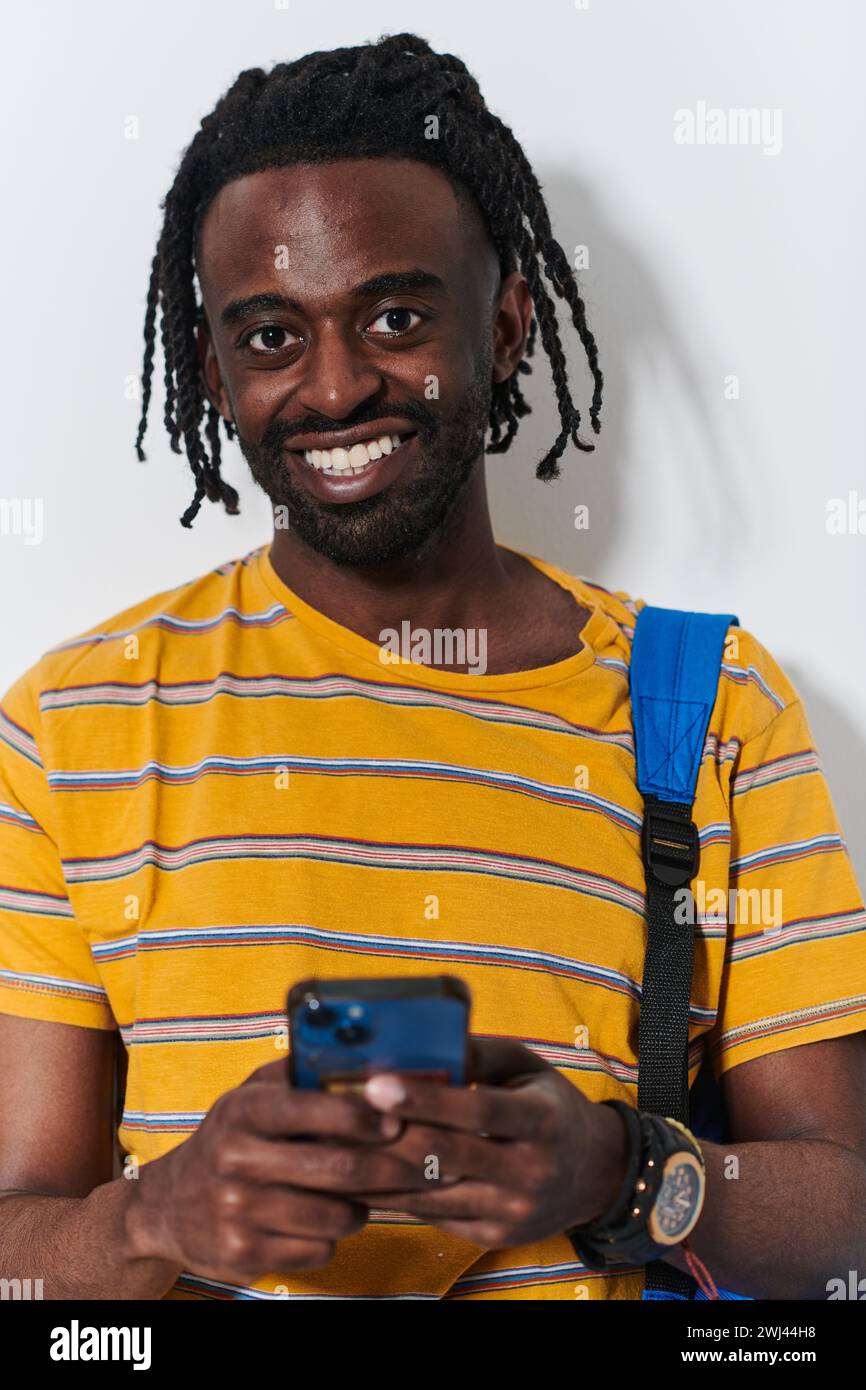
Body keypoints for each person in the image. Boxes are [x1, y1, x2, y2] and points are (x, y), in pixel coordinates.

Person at [0, 33, 863, 1302]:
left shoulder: (709, 702)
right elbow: (18, 1248)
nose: (338, 385)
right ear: (214, 373)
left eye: (395, 316)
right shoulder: (72, 723)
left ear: (507, 325)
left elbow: (841, 1215)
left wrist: (615, 1170)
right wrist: (152, 1221)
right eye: (272, 336)